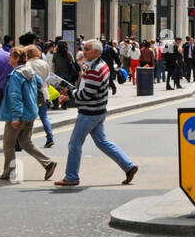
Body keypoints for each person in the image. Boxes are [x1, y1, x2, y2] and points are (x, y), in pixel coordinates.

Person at [54, 39, 137, 186]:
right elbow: (88, 86)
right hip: (98, 111)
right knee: (103, 143)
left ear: (96, 52)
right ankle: (128, 166)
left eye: (87, 49)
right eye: (84, 49)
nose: (83, 51)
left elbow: (87, 94)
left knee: (74, 144)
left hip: (89, 112)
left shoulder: (95, 69)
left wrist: (70, 93)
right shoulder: (99, 65)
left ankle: (72, 176)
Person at [0, 47, 57, 182]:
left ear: (17, 58)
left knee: (8, 143)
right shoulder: (30, 72)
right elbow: (40, 84)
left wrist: (15, 116)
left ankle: (9, 172)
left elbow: (15, 95)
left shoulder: (16, 75)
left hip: (20, 114)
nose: (8, 58)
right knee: (25, 142)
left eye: (11, 56)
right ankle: (48, 163)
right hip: (31, 112)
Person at [22, 43, 54, 148]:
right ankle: (50, 137)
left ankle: (25, 139)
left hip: (31, 92)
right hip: (43, 92)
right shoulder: (44, 63)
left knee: (28, 117)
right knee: (44, 116)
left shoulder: (27, 64)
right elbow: (48, 78)